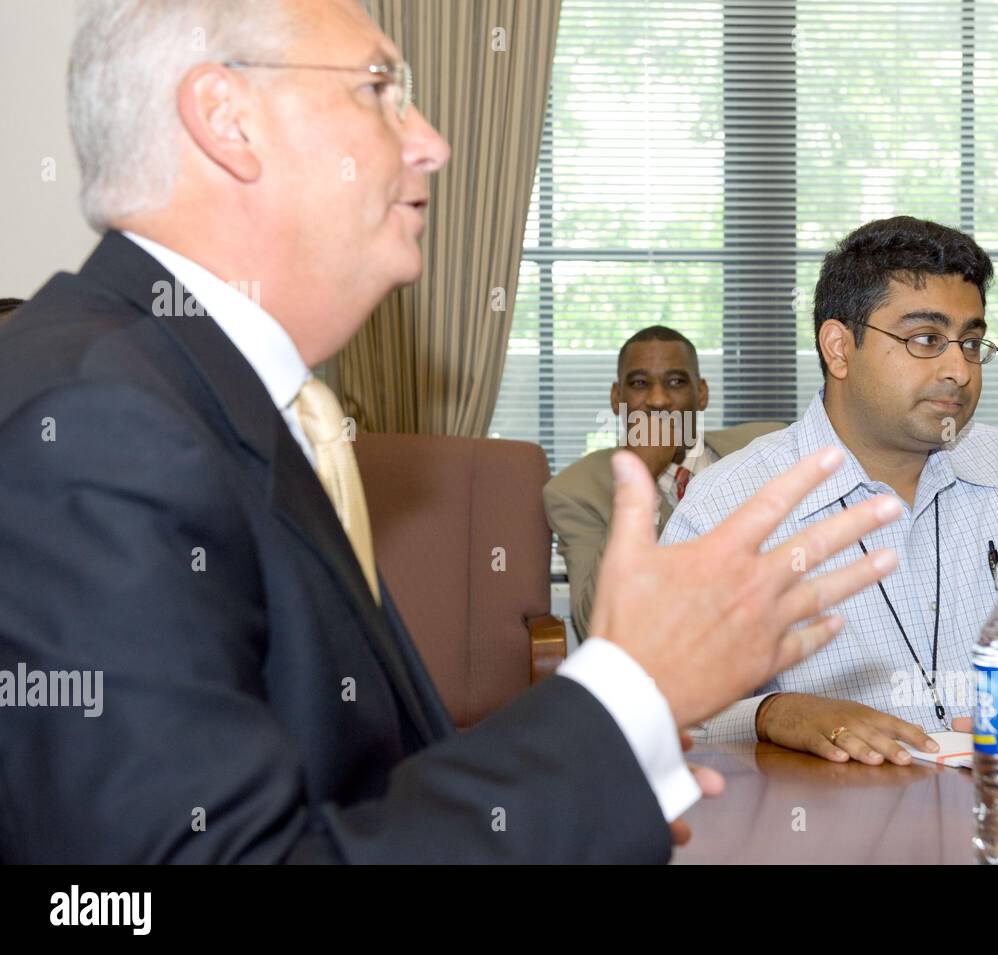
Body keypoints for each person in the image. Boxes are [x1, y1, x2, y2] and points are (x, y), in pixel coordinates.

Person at [0, 0, 904, 863]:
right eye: (380, 90)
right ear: (226, 118)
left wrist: (595, 777)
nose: (431, 143)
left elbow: (364, 788)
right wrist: (631, 692)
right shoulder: (97, 425)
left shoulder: (233, 404)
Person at [662, 216, 998, 766]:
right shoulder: (732, 503)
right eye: (926, 339)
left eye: (971, 342)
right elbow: (663, 705)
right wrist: (773, 713)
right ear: (839, 348)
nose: (960, 370)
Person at [545, 325, 782, 639]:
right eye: (640, 383)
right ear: (617, 398)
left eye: (675, 382)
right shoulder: (576, 491)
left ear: (701, 393)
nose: (658, 401)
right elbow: (597, 627)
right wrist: (638, 481)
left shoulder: (766, 446)